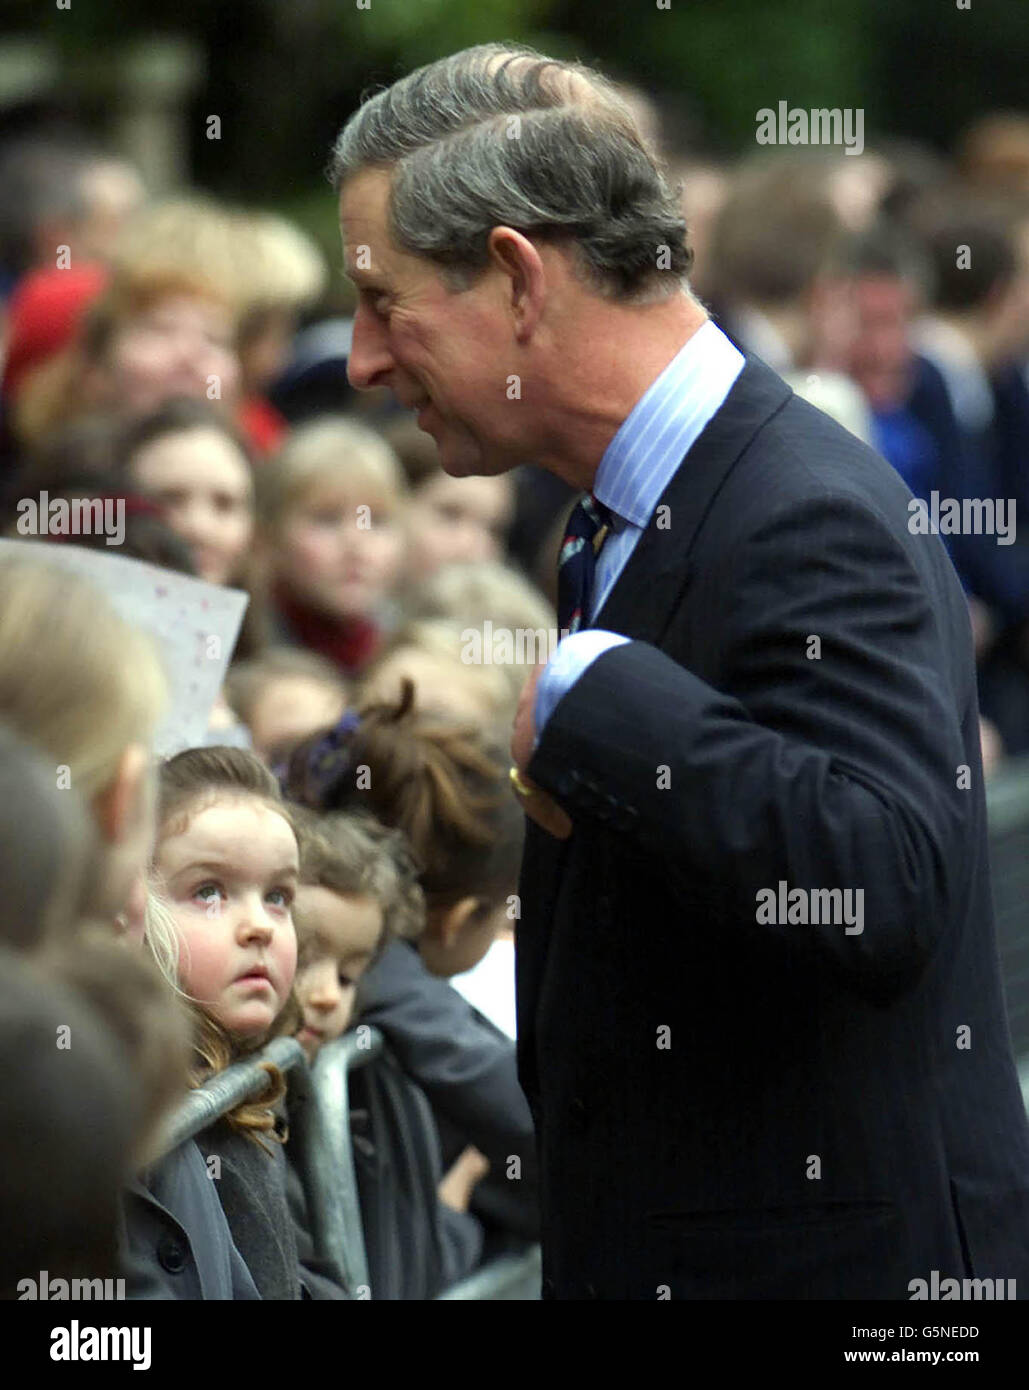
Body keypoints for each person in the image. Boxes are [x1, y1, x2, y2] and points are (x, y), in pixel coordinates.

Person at [330, 41, 1029, 1298]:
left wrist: (598, 706)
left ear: (515, 280)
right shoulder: (624, 506)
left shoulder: (799, 507)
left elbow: (886, 879)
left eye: (385, 303)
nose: (364, 362)